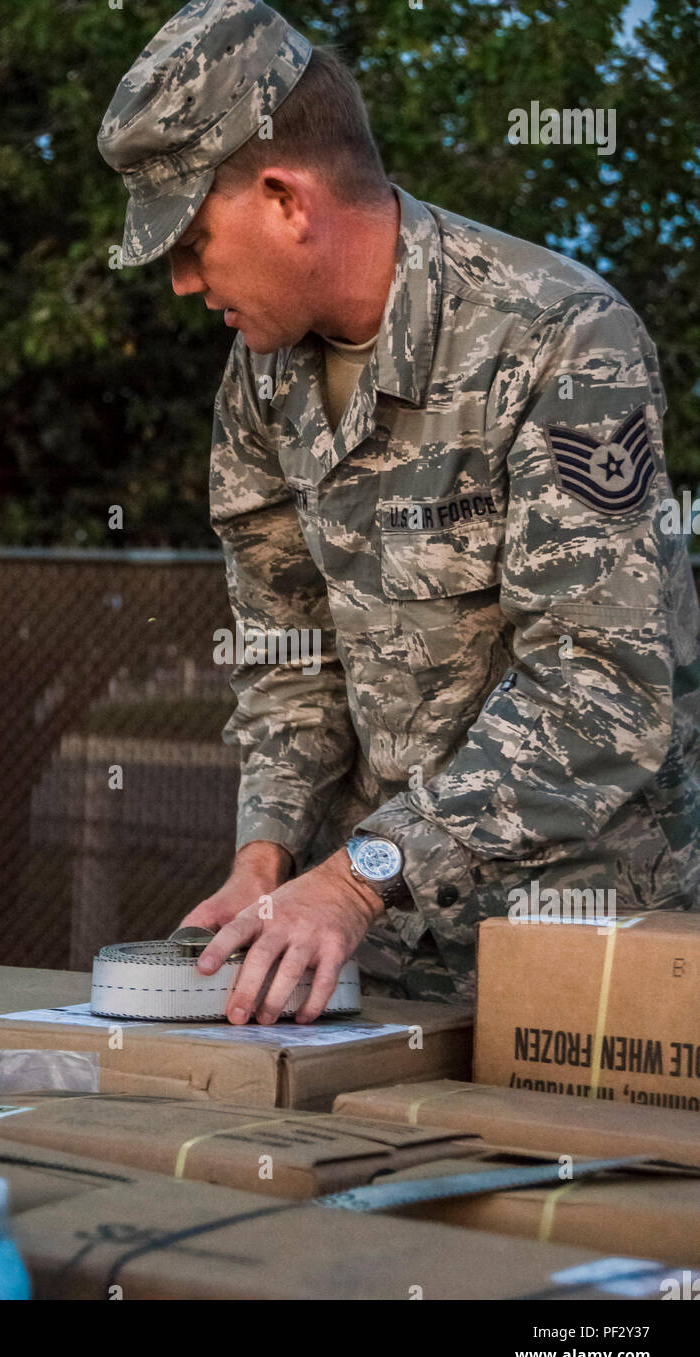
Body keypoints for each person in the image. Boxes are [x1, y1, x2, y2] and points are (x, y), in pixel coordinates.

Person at [97, 0, 700, 1023]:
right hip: (368, 961)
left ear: (285, 198)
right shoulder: (258, 379)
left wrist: (355, 875)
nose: (186, 282)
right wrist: (268, 857)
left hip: (577, 960)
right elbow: (289, 661)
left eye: (193, 240)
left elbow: (601, 686)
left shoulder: (559, 338)